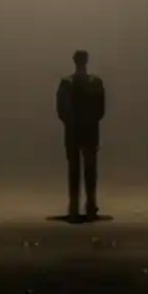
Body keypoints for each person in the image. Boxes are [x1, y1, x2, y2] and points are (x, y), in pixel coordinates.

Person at [56, 49, 105, 221]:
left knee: (77, 169)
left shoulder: (67, 83)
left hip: (76, 130)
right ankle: (86, 204)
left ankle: (78, 205)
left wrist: (72, 122)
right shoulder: (94, 83)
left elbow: (62, 109)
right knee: (85, 169)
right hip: (85, 129)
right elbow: (100, 108)